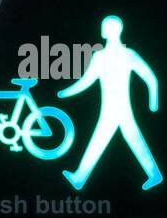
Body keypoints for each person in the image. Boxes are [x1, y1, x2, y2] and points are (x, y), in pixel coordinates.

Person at [58, 15, 161, 191]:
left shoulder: (127, 55)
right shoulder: (102, 56)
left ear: (114, 30)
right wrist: (66, 92)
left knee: (109, 141)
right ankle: (154, 174)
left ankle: (80, 177)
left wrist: (154, 101)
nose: (102, 29)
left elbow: (150, 78)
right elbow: (86, 81)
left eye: (105, 26)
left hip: (117, 109)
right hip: (112, 109)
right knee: (127, 140)